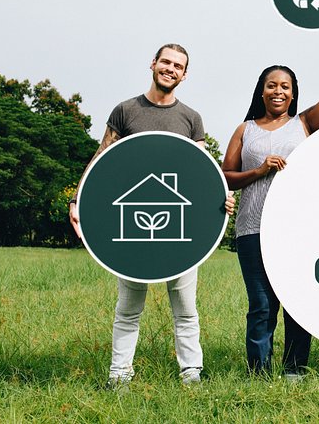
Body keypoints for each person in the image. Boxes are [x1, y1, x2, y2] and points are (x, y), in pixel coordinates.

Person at [69, 43, 236, 388]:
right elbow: (102, 157)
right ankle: (119, 377)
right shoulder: (126, 111)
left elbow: (200, 174)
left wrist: (222, 198)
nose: (170, 69)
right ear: (153, 64)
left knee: (186, 310)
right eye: (166, 62)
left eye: (178, 66)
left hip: (179, 230)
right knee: (128, 309)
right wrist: (77, 200)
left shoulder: (191, 118)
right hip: (132, 228)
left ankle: (191, 374)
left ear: (184, 74)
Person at [222, 12, 319, 380]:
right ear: (261, 91)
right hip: (251, 231)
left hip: (298, 230)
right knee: (261, 305)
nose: (278, 91)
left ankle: (295, 371)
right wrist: (258, 171)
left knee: (297, 303)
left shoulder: (305, 124)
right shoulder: (244, 130)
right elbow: (226, 177)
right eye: (271, 85)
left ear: (294, 93)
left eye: (285, 86)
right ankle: (258, 374)